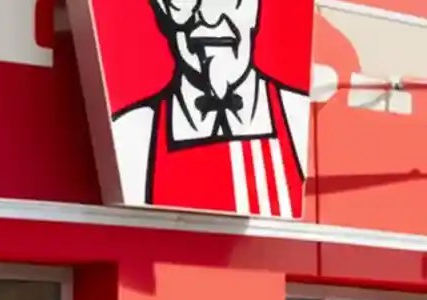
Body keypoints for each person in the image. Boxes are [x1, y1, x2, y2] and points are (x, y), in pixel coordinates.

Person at [111, 0, 310, 217]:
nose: (209, 18)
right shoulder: (130, 136)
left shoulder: (302, 118)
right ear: (162, 8)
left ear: (255, 7)